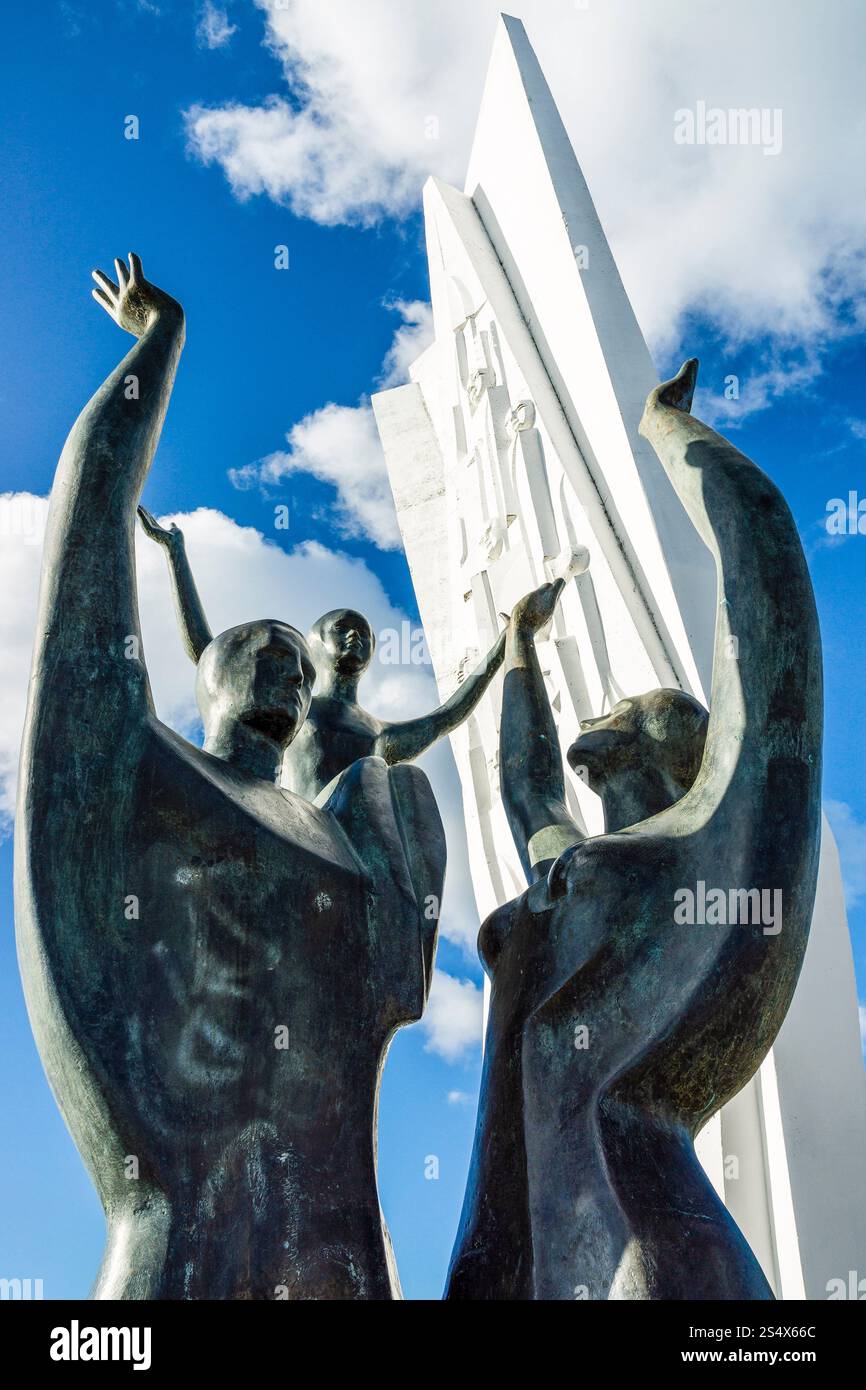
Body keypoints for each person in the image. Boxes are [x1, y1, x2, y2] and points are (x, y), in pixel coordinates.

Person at [15, 254, 445, 1300]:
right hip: (186, 1251)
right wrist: (159, 344)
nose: (289, 672)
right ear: (204, 674)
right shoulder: (143, 776)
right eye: (262, 651)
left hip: (343, 1265)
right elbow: (85, 551)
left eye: (299, 665)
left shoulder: (352, 837)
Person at [445, 359, 823, 1301]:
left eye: (619, 702)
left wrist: (665, 431)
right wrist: (519, 649)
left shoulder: (708, 841)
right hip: (545, 1254)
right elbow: (526, 792)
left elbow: (766, 568)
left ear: (664, 738)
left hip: (652, 1249)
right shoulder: (574, 872)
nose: (600, 710)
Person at [138, 511, 507, 801]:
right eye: (342, 628)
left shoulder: (377, 732)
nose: (354, 636)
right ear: (314, 644)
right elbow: (208, 650)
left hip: (356, 842)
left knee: (406, 787)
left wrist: (507, 643)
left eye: (363, 633)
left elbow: (446, 718)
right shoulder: (294, 705)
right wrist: (175, 554)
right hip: (300, 826)